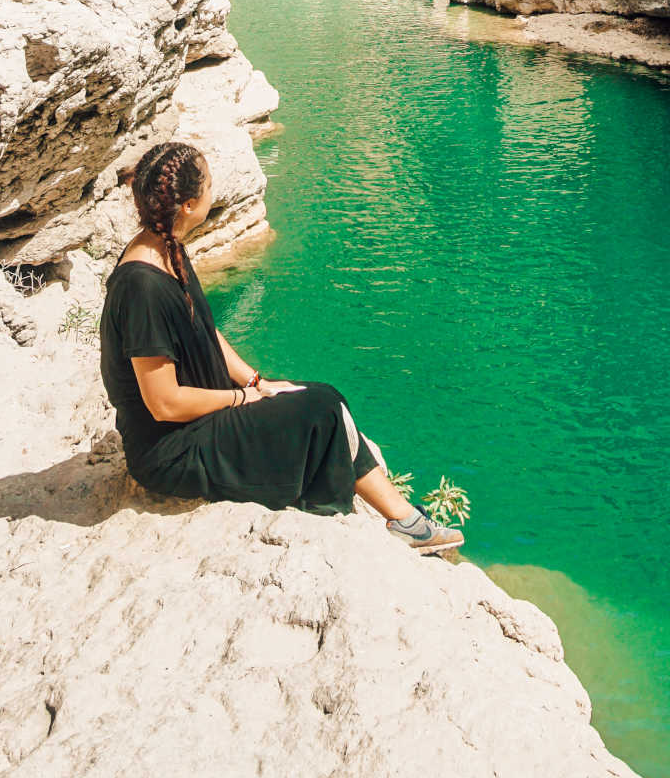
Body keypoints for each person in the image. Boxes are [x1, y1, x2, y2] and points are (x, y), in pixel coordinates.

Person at [99, 142, 463, 551]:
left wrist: (258, 381)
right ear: (187, 205)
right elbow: (163, 403)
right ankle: (403, 522)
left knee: (322, 398)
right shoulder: (142, 285)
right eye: (209, 182)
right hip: (172, 451)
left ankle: (404, 519)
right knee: (321, 408)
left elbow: (205, 330)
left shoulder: (168, 248)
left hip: (199, 421)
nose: (213, 190)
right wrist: (243, 398)